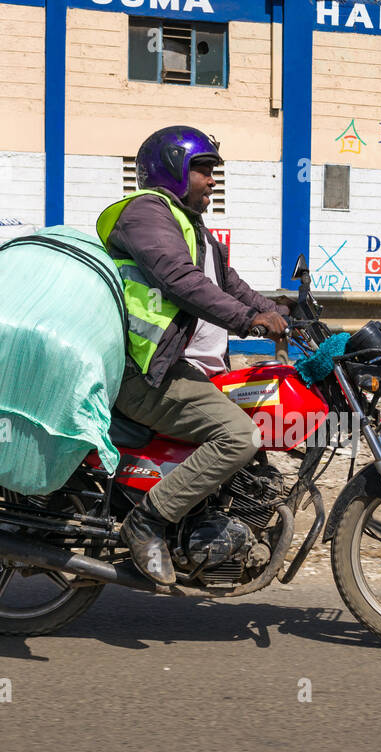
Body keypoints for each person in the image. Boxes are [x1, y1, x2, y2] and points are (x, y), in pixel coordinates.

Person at [96, 126, 288, 586]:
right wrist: (248, 321)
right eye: (203, 169)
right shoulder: (146, 214)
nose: (211, 180)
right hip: (146, 374)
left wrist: (279, 311)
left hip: (185, 371)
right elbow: (178, 278)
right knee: (240, 438)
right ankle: (147, 521)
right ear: (173, 168)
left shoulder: (193, 228)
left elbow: (231, 286)